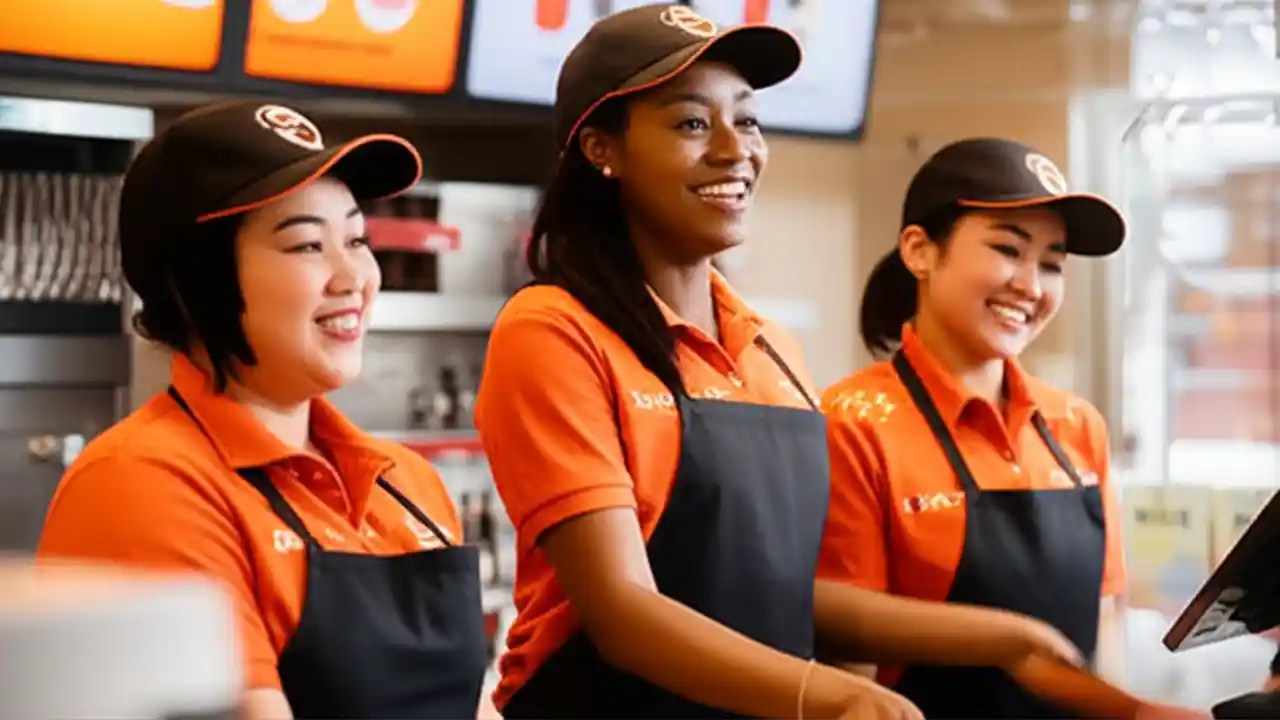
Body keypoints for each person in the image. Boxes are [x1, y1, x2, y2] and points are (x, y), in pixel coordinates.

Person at [473, 6, 1089, 719]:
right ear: (601, 148)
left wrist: (1006, 638)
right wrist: (825, 696)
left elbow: (789, 597)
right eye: (692, 123)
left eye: (749, 121)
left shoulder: (773, 348)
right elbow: (621, 612)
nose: (736, 150)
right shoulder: (553, 329)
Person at [36, 100, 488, 720]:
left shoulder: (406, 482)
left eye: (357, 239)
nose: (353, 275)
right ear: (195, 281)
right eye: (306, 245)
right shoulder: (141, 485)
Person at [817, 137, 1144, 718]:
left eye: (1051, 263)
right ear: (919, 251)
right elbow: (850, 668)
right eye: (1007, 250)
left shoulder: (1075, 426)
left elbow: (1105, 629)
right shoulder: (852, 424)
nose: (1032, 286)